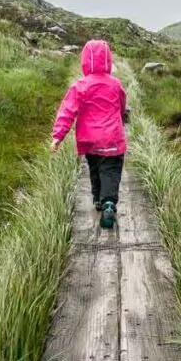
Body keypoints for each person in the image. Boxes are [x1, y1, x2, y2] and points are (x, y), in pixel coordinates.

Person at [50, 39, 128, 228]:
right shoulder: (115, 84)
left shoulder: (79, 86)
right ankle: (108, 202)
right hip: (113, 137)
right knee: (111, 170)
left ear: (84, 61)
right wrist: (120, 116)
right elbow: (122, 105)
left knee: (94, 167)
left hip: (90, 139)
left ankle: (97, 198)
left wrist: (57, 137)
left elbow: (67, 111)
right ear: (108, 60)